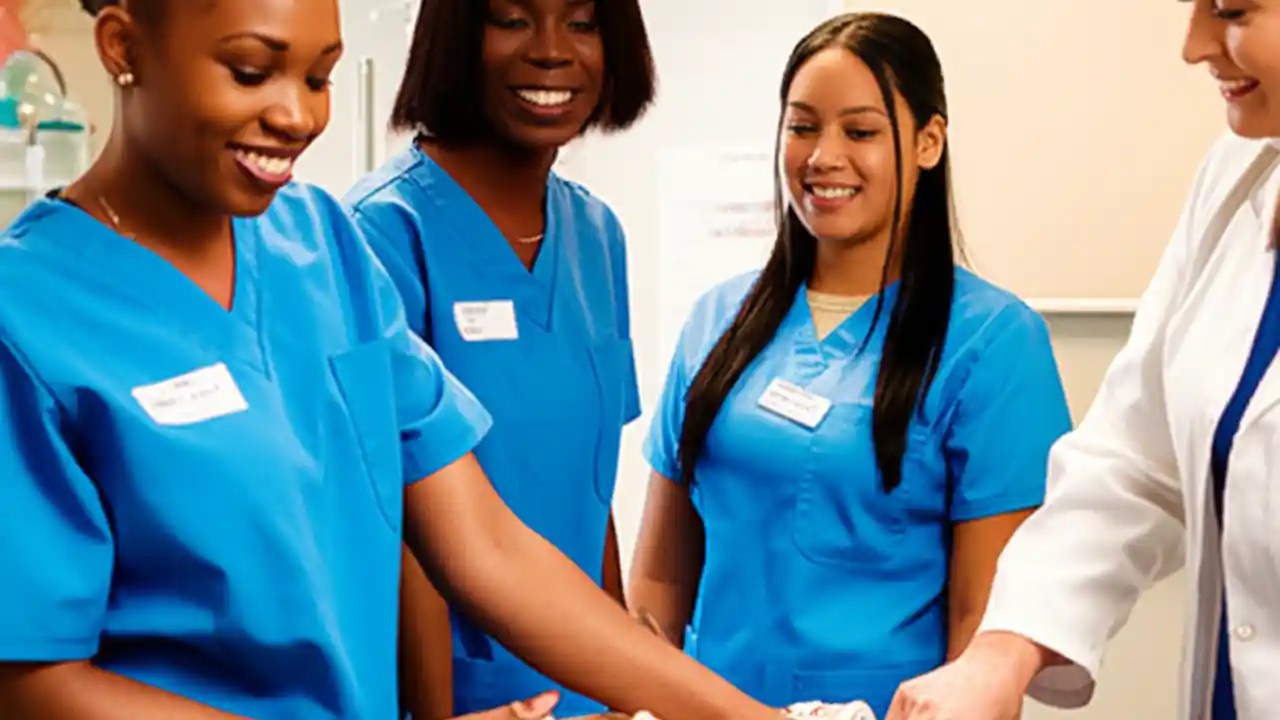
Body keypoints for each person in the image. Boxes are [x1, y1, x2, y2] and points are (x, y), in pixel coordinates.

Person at [0, 2, 784, 719]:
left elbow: (486, 547)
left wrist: (740, 717)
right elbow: (32, 681)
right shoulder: (29, 315)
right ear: (122, 47)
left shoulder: (323, 249)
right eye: (251, 71)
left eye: (320, 77)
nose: (296, 115)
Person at [626, 12, 1073, 720]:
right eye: (803, 126)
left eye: (860, 131)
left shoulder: (993, 340)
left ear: (929, 141)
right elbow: (658, 574)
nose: (823, 156)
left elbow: (980, 623)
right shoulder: (718, 318)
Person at [886, 2, 1280, 719]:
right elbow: (1135, 460)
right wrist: (1002, 653)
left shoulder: (989, 333)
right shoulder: (1239, 178)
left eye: (1230, 10)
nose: (1193, 47)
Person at [342, 0, 652, 716]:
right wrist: (438, 710)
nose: (551, 51)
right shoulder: (383, 231)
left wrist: (623, 688)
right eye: (510, 18)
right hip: (459, 693)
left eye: (582, 23)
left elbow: (589, 491)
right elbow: (401, 521)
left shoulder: (597, 237)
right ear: (454, 37)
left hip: (583, 683)